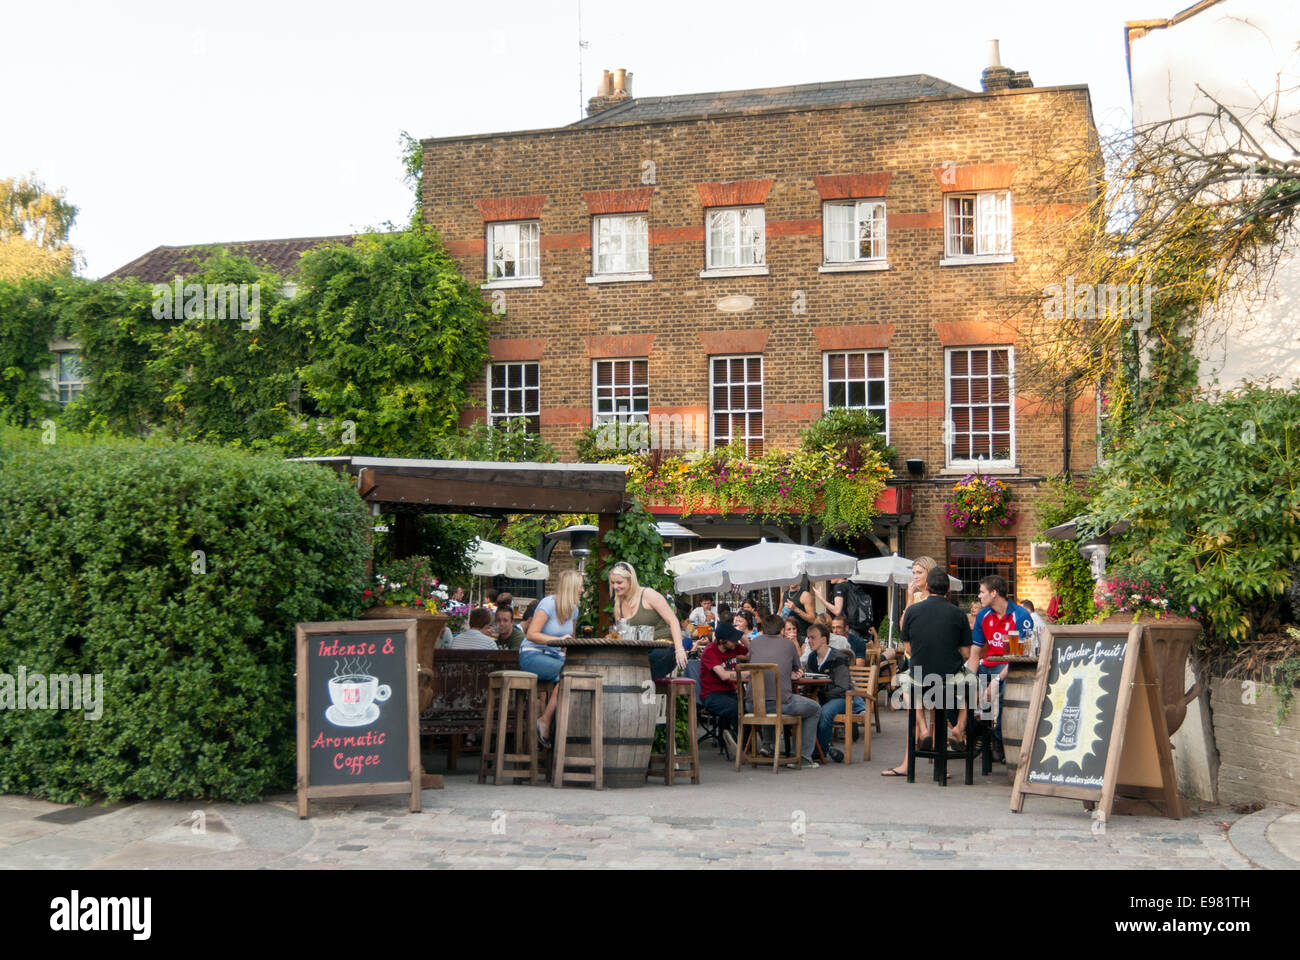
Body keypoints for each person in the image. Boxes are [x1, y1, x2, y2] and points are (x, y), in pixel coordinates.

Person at [883, 566, 971, 777]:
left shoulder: (913, 611)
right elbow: (967, 653)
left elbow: (908, 648)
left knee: (908, 687)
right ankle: (959, 728)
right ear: (948, 589)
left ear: (928, 587)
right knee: (972, 688)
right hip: (950, 678)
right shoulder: (959, 613)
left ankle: (922, 727)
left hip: (920, 676)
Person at [965, 576, 1036, 755]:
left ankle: (997, 736)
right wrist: (970, 680)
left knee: (1007, 691)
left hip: (1009, 667)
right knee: (954, 688)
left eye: (982, 592)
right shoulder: (983, 615)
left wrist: (996, 681)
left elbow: (1020, 657)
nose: (979, 596)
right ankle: (977, 732)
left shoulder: (1021, 616)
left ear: (994, 593)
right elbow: (975, 654)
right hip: (987, 665)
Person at [746, 612, 822, 767]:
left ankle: (768, 745)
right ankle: (802, 757)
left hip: (751, 704)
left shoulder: (754, 643)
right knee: (814, 708)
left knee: (766, 699)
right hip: (780, 704)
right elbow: (797, 669)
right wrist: (793, 673)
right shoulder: (788, 644)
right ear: (781, 630)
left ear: (763, 628)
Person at [521, 569, 582, 748]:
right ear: (570, 587)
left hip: (555, 657)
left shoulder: (574, 610)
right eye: (580, 587)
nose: (582, 591)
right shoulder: (548, 604)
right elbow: (531, 634)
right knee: (569, 673)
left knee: (577, 673)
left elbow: (569, 641)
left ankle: (562, 733)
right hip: (532, 655)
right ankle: (545, 721)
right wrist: (555, 641)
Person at [610, 561, 687, 679]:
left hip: (664, 647)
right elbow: (621, 635)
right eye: (613, 583)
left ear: (631, 581)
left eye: (619, 582)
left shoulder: (648, 594)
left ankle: (634, 685)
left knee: (647, 662)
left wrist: (679, 650)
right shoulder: (618, 605)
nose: (615, 586)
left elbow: (673, 621)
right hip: (639, 651)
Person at [804, 622, 862, 763]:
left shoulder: (838, 657)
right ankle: (806, 750)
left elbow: (842, 687)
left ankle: (820, 753)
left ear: (824, 639)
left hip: (842, 698)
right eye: (808, 638)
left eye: (813, 638)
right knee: (803, 710)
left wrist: (821, 694)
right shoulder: (812, 657)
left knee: (824, 713)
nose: (809, 641)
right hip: (822, 698)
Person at [699, 627, 749, 754]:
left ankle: (745, 745)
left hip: (730, 692)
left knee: (749, 706)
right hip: (712, 694)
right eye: (733, 640)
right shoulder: (710, 651)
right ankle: (742, 747)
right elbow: (723, 675)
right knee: (736, 708)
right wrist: (747, 673)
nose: (737, 642)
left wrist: (741, 635)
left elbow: (754, 651)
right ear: (722, 641)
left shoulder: (733, 647)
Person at [813, 575, 877, 645]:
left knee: (846, 653)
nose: (829, 578)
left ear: (840, 574)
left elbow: (837, 611)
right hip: (859, 629)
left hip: (848, 629)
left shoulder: (839, 587)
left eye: (832, 575)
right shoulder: (852, 585)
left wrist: (820, 598)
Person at [900, 556, 938, 626]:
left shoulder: (937, 597)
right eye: (914, 573)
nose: (915, 577)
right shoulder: (915, 596)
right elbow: (903, 626)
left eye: (919, 572)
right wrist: (910, 598)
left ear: (930, 574)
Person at [780, 574, 816, 641]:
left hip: (802, 636)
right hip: (786, 636)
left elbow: (812, 619)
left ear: (799, 579)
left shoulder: (805, 595)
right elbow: (779, 613)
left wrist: (795, 609)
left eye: (794, 578)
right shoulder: (783, 594)